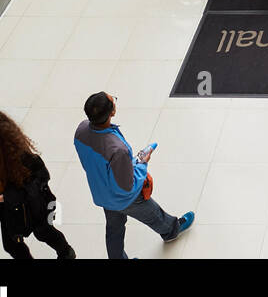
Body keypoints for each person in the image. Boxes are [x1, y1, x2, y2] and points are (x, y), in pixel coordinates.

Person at [75, 92, 194, 259]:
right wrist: (142, 163)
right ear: (112, 112)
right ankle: (171, 231)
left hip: (102, 193)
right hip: (124, 198)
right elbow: (127, 185)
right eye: (113, 100)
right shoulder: (117, 149)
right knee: (153, 214)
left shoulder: (80, 131)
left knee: (114, 229)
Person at [0, 109, 75, 259]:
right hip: (7, 207)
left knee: (44, 233)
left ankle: (66, 253)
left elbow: (41, 178)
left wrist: (8, 197)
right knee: (11, 245)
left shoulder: (21, 156)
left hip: (33, 206)